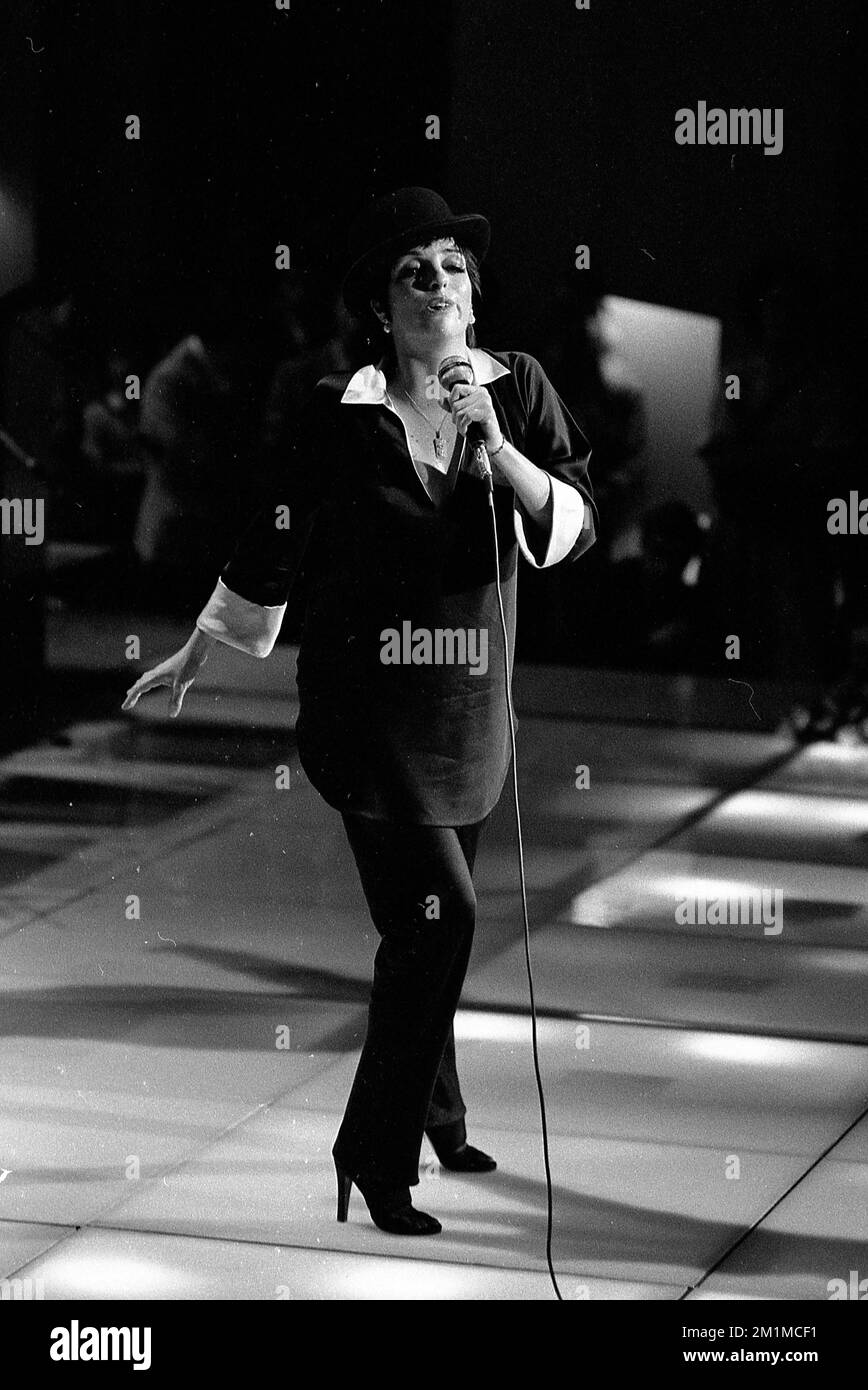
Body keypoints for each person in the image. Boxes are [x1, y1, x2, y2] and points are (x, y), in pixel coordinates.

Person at [122, 187, 597, 1236]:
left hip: (469, 706)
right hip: (369, 712)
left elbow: (570, 521)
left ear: (475, 293)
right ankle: (372, 1154)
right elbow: (276, 536)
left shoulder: (517, 389)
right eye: (412, 271)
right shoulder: (344, 414)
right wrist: (201, 646)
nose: (437, 282)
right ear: (381, 307)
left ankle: (441, 1109)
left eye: (451, 266)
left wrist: (496, 441)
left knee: (433, 923)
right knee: (442, 923)